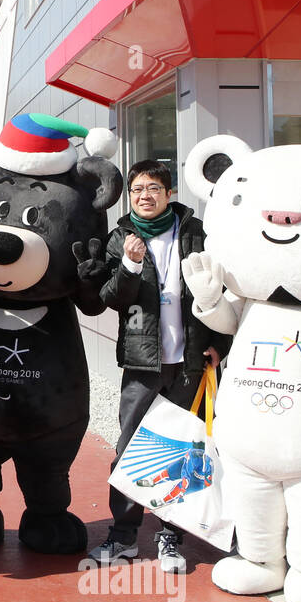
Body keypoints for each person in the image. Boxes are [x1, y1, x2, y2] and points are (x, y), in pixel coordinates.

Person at [93, 159, 227, 572]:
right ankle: (124, 535)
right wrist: (130, 265)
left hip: (189, 362)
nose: (144, 196)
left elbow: (221, 289)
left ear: (168, 193)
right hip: (141, 362)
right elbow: (109, 298)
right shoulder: (120, 238)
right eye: (137, 190)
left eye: (153, 188)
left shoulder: (195, 233)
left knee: (183, 448)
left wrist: (219, 342)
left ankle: (171, 537)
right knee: (130, 447)